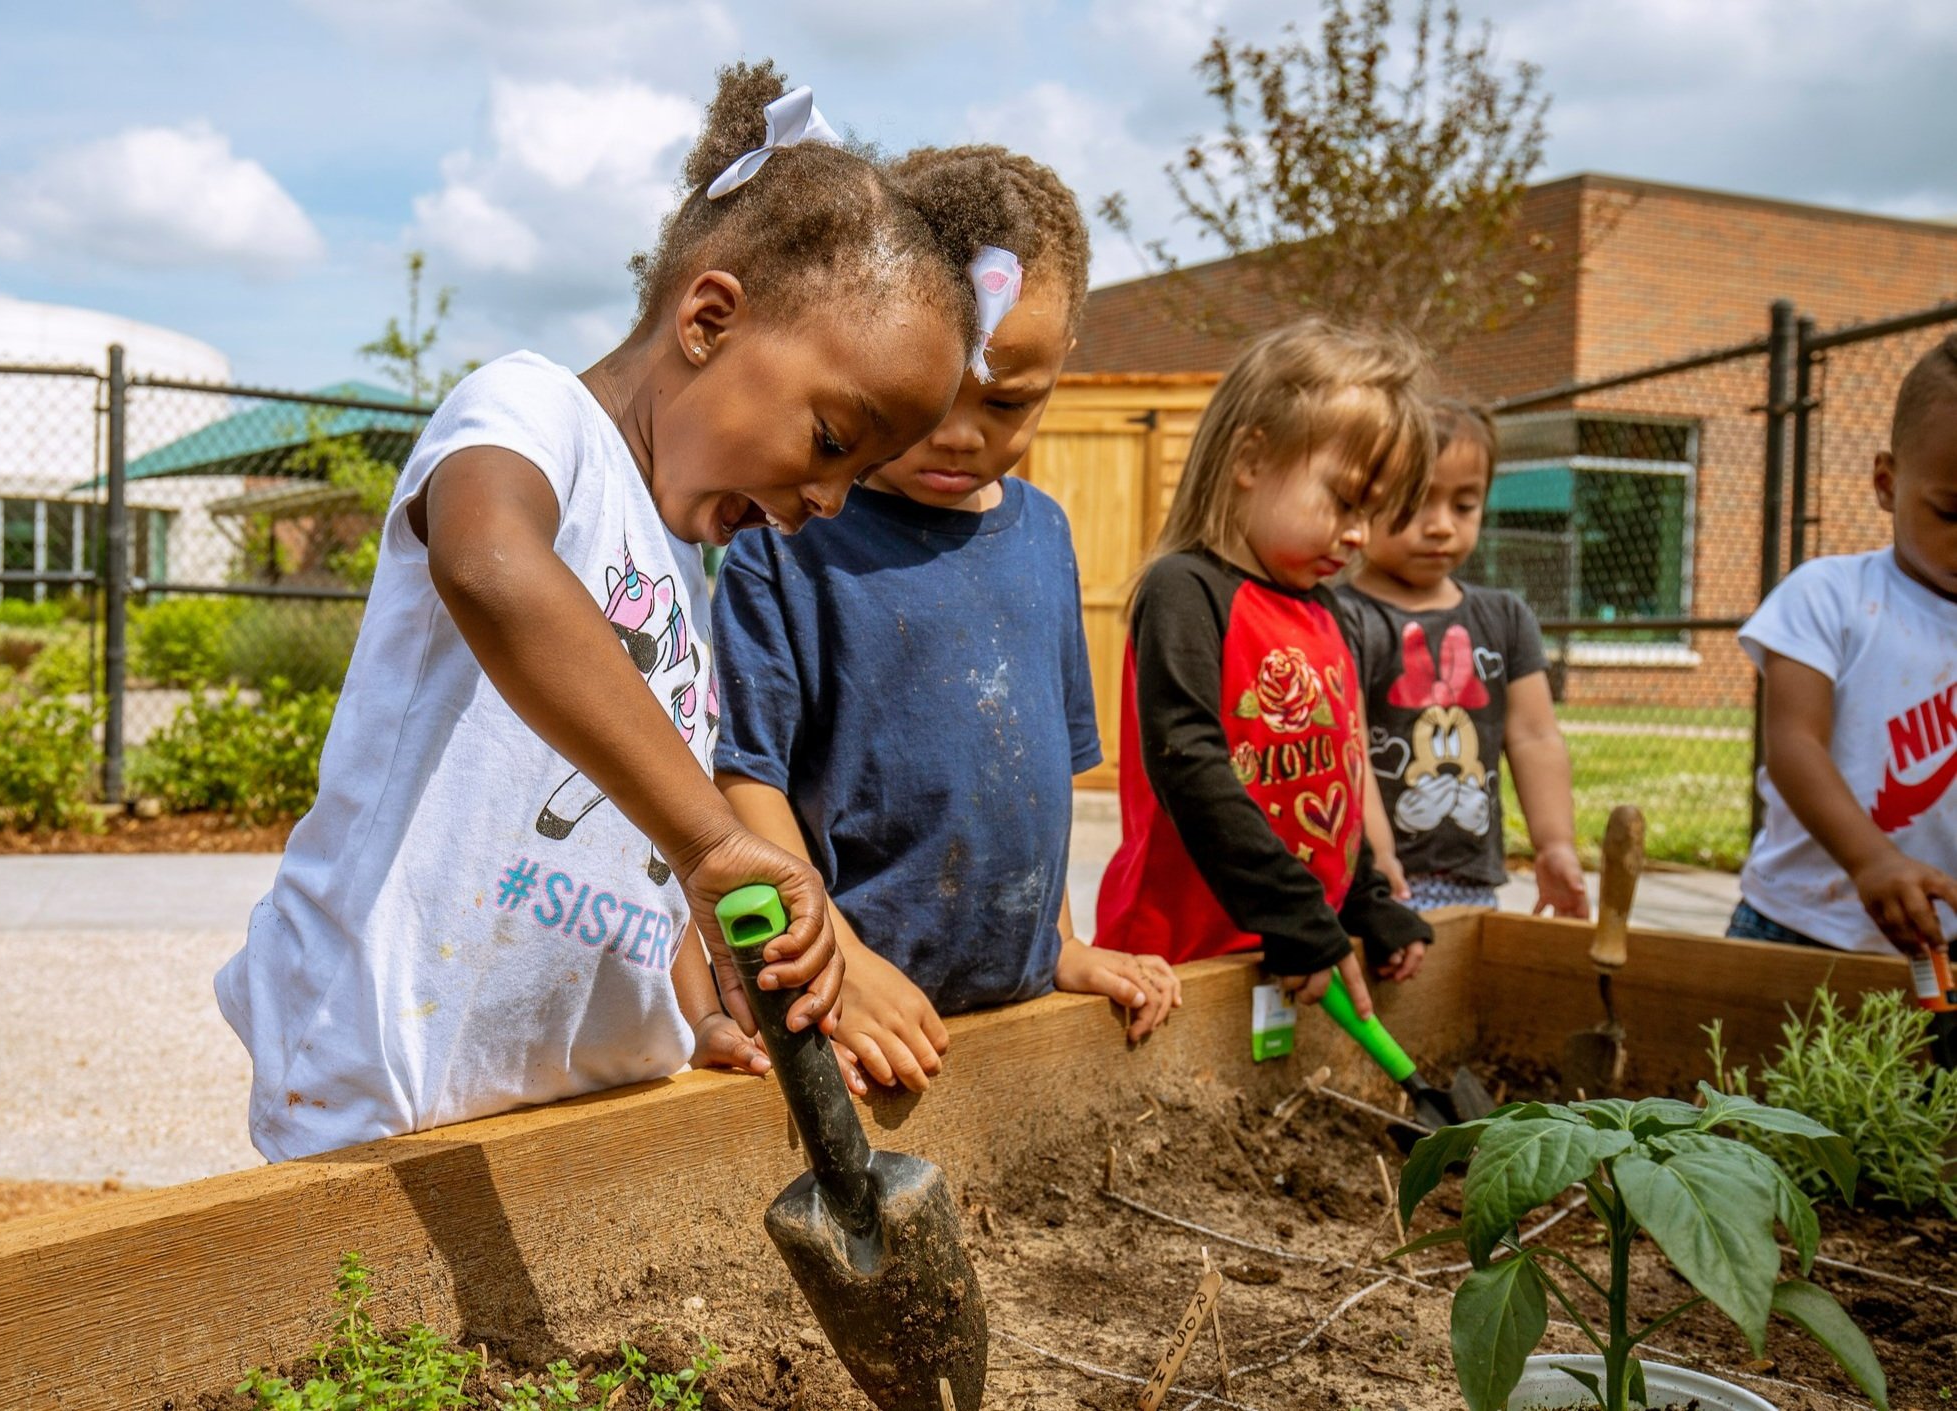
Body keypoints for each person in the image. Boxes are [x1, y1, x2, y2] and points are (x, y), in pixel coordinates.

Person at [214, 63, 987, 1161]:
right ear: (710, 320)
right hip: (391, 1059)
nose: (825, 501)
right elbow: (487, 563)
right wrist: (717, 838)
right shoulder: (536, 414)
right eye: (829, 440)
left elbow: (629, 829)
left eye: (860, 476)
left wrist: (685, 992)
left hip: (555, 1085)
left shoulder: (683, 563)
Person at [708, 146, 1181, 1096]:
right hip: (861, 1021)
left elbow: (1036, 786)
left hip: (1009, 1015)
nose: (961, 433)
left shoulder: (1045, 535)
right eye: (928, 393)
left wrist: (1063, 946)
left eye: (1006, 400)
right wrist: (836, 965)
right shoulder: (790, 536)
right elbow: (742, 784)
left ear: (1062, 364)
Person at [1094, 320, 1437, 1019]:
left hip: (1286, 948)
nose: (1359, 535)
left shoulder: (1329, 613)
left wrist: (1365, 900)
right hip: (1176, 964)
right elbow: (1189, 764)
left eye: (1371, 514)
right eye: (1344, 500)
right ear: (1251, 457)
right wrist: (1298, 914)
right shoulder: (1184, 591)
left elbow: (1329, 792)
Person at [1731, 331, 1957, 1059]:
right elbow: (1794, 743)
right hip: (1801, 925)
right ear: (1887, 482)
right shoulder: (1829, 595)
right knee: (1757, 1127)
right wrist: (1873, 860)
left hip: (1942, 953)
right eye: (1952, 513)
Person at [1336, 401, 1589, 918]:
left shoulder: (1505, 617)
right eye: (1416, 503)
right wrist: (1376, 855)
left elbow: (1535, 736)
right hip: (1372, 886)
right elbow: (1348, 749)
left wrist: (1555, 844)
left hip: (1470, 887)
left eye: (1465, 505)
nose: (1441, 526)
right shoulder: (1340, 617)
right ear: (1361, 501)